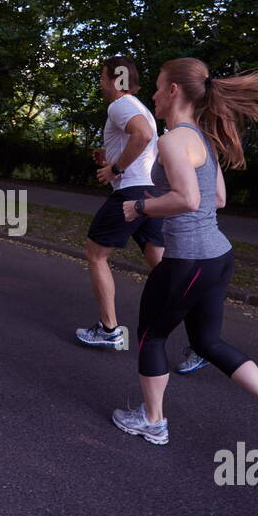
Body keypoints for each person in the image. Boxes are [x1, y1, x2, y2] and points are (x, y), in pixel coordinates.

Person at [109, 58, 258, 460]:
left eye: (157, 87)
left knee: (151, 336)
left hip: (187, 261)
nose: (153, 95)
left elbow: (189, 199)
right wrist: (159, 201)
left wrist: (140, 207)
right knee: (208, 342)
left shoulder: (172, 140)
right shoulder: (202, 138)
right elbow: (217, 199)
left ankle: (153, 422)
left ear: (174, 90)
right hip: (218, 256)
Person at [75, 56, 164, 350]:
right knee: (163, 268)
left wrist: (116, 169)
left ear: (117, 80)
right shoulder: (141, 108)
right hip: (150, 192)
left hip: (130, 192)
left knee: (96, 253)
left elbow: (144, 135)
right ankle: (199, 334)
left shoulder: (121, 105)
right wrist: (111, 160)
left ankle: (109, 330)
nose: (100, 83)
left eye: (103, 77)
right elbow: (142, 140)